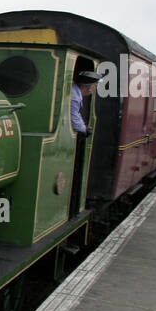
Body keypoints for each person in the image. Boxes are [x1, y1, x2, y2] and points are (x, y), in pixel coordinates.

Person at [69, 69, 99, 217]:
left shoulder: (75, 92)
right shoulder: (74, 97)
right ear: (88, 87)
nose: (95, 89)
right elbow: (74, 118)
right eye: (95, 86)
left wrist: (84, 126)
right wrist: (84, 130)